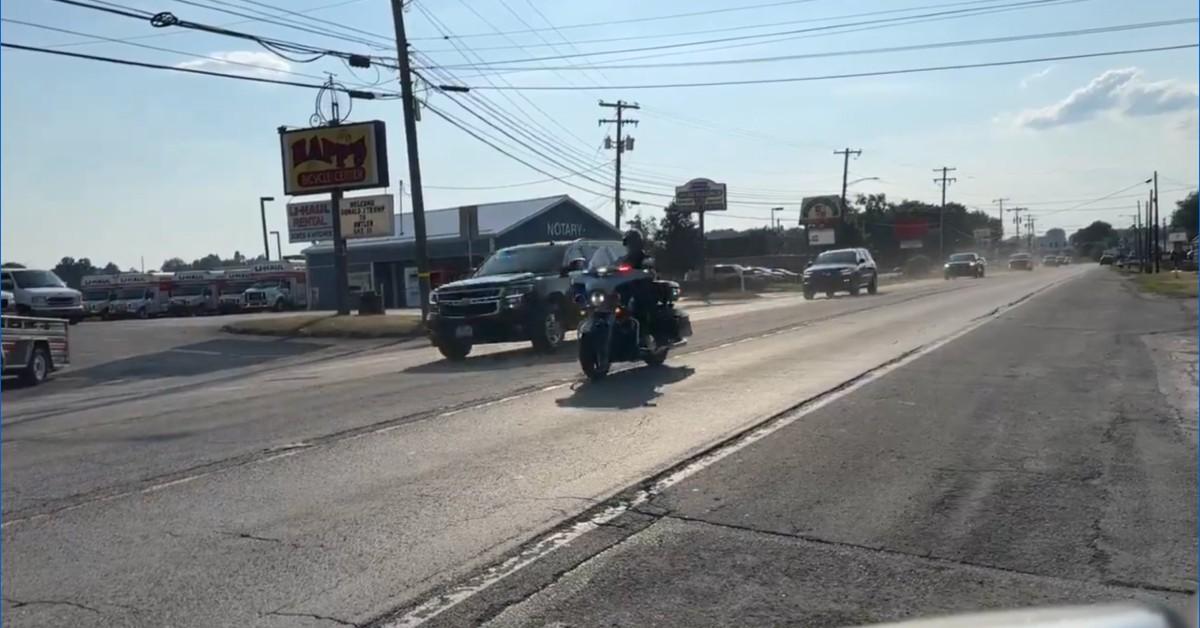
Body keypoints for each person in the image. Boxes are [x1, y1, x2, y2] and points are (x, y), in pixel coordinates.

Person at [619, 229, 656, 348]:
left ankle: (645, 335)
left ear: (638, 243)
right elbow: (615, 269)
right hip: (626, 289)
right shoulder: (624, 259)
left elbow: (650, 271)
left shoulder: (645, 258)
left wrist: (646, 270)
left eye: (632, 243)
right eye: (628, 243)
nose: (630, 246)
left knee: (639, 305)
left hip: (642, 289)